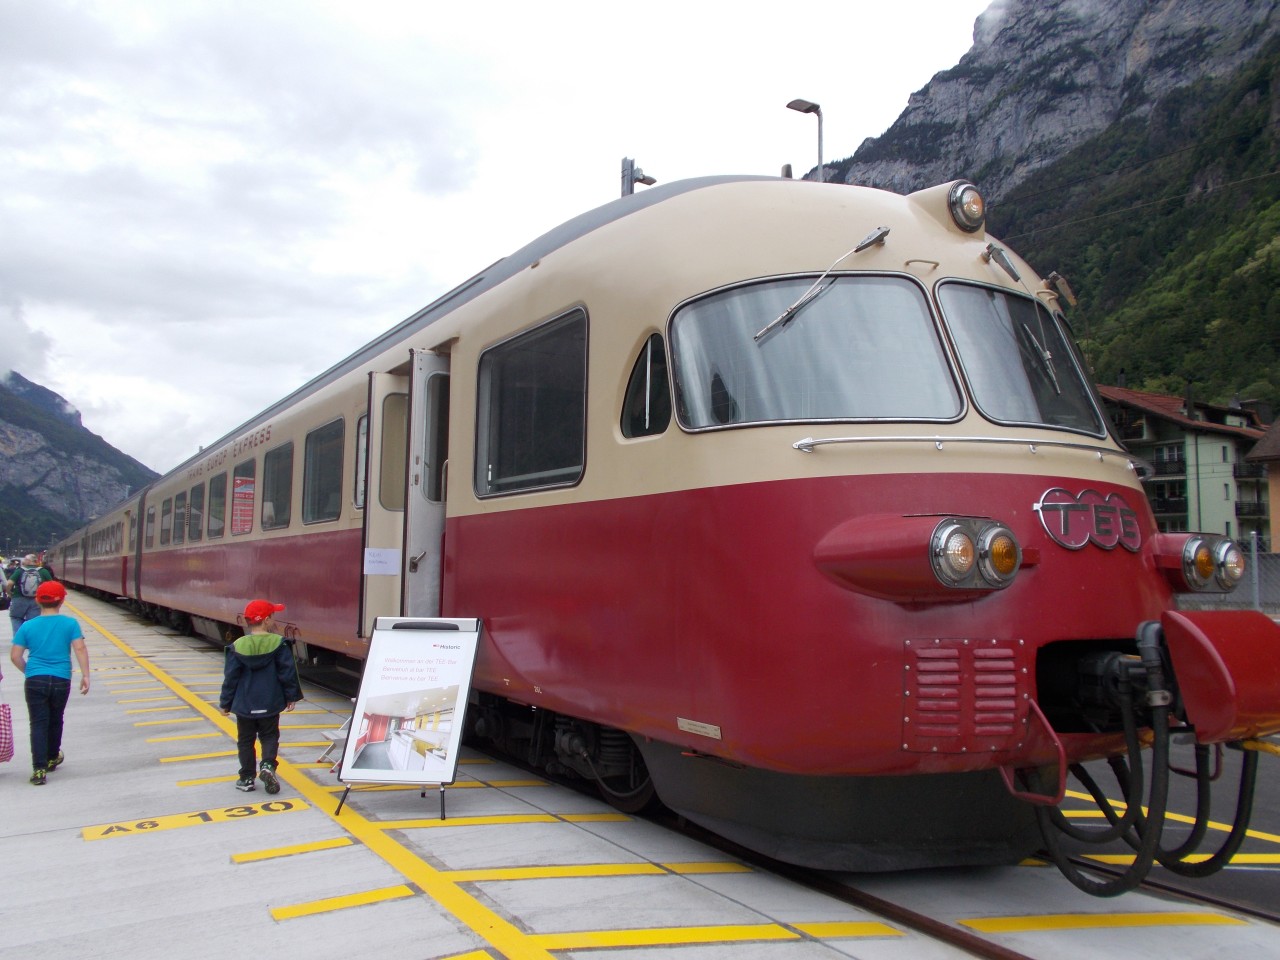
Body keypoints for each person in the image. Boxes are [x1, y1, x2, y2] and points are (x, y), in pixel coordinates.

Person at [9, 580, 90, 785]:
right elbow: (80, 648)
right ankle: (52, 757)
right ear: (61, 601)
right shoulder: (70, 624)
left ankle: (39, 770)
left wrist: (30, 672)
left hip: (35, 679)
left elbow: (15, 656)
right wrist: (85, 675)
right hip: (61, 679)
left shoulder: (27, 626)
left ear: (37, 601)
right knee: (56, 719)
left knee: (38, 723)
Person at [219, 599, 301, 793]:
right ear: (266, 620)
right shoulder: (279, 644)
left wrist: (225, 703)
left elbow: (231, 678)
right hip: (270, 701)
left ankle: (247, 778)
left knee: (245, 740)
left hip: (244, 704)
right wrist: (291, 696)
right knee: (270, 735)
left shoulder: (237, 646)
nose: (274, 620)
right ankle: (268, 765)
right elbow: (287, 673)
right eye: (273, 616)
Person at [5, 553, 53, 634]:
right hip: (36, 600)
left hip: (19, 599)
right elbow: (51, 585)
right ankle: (31, 639)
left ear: (28, 561)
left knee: (16, 618)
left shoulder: (20, 570)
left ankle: (19, 639)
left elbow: (9, 583)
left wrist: (9, 593)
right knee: (33, 621)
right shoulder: (43, 571)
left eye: (25, 559)